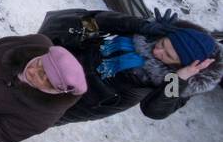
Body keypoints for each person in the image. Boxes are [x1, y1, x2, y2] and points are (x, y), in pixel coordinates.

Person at [40, 8, 220, 124]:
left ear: (180, 64)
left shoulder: (175, 82)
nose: (158, 52)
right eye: (163, 44)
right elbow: (93, 20)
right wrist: (140, 25)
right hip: (57, 59)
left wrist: (179, 79)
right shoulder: (147, 33)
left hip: (76, 101)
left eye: (168, 55)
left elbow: (154, 110)